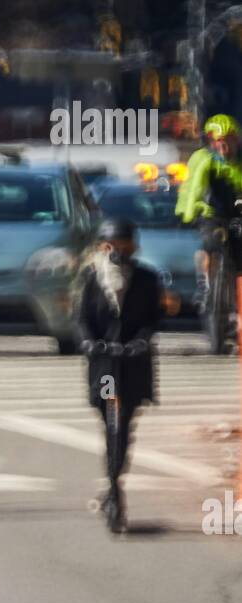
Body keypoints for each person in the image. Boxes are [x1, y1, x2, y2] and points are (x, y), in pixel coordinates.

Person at [77, 217, 161, 534]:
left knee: (123, 424)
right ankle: (112, 484)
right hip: (106, 369)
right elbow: (82, 318)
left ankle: (114, 487)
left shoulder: (146, 278)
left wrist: (141, 341)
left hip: (132, 365)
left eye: (124, 245)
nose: (118, 251)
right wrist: (88, 342)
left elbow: (153, 319)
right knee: (109, 421)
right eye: (112, 245)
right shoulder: (92, 278)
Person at [176, 114, 242, 302]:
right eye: (218, 141)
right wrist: (187, 216)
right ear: (211, 142)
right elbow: (192, 189)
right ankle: (204, 283)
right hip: (210, 214)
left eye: (229, 140)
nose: (224, 147)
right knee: (211, 243)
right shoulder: (203, 159)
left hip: (236, 213)